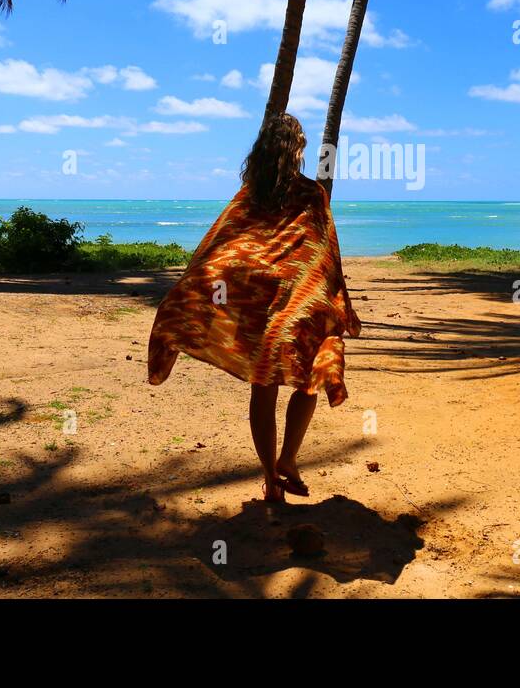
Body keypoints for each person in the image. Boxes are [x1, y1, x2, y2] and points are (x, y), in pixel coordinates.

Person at [146, 113, 360, 503]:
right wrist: (338, 298)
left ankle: (271, 479)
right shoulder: (311, 193)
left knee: (265, 388)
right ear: (296, 150)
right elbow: (325, 254)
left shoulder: (249, 194)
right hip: (300, 302)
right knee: (310, 377)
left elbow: (222, 247)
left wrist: (206, 282)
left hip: (261, 306)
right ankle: (288, 460)